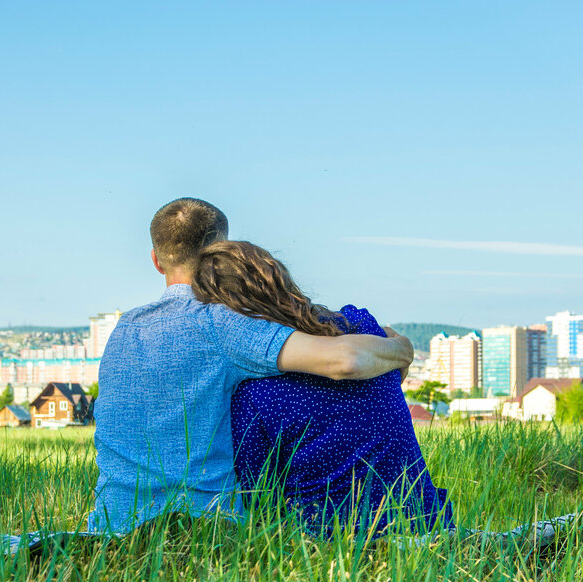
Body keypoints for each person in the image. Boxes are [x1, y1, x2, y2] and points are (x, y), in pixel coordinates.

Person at [87, 198, 414, 533]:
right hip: (201, 527)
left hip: (111, 524)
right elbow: (346, 359)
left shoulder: (123, 329)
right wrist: (401, 349)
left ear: (156, 260)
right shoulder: (218, 323)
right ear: (220, 252)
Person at [192, 240, 452, 538]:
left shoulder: (251, 393)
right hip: (426, 521)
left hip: (332, 539)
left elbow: (259, 499)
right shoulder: (361, 324)